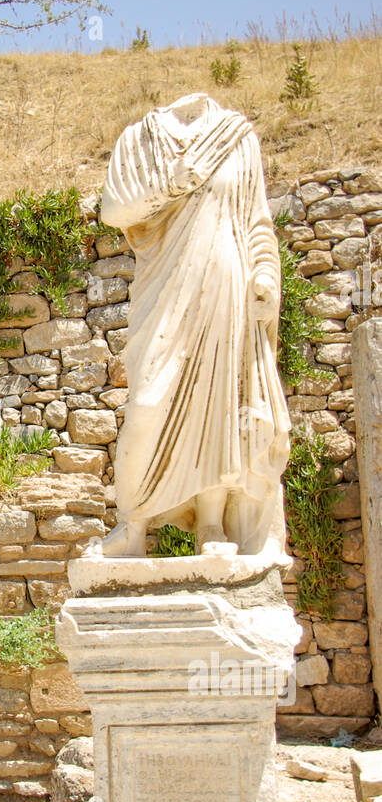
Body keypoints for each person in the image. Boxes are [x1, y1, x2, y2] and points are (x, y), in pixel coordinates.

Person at [82, 93, 290, 558]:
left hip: (227, 289)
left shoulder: (239, 139)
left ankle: (212, 526)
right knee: (148, 403)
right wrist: (169, 186)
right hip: (166, 289)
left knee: (219, 402)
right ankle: (132, 525)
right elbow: (114, 210)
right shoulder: (141, 139)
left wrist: (265, 274)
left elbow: (257, 221)